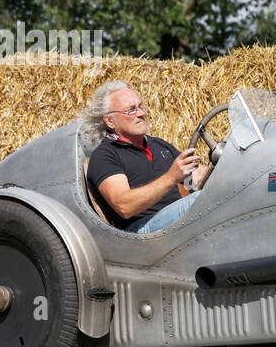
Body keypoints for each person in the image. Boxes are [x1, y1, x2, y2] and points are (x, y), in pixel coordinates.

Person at [81, 81, 201, 233]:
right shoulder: (104, 156)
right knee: (200, 201)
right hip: (140, 231)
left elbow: (196, 176)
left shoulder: (158, 144)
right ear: (110, 121)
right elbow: (124, 206)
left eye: (140, 107)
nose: (141, 113)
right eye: (131, 110)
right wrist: (171, 178)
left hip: (175, 219)